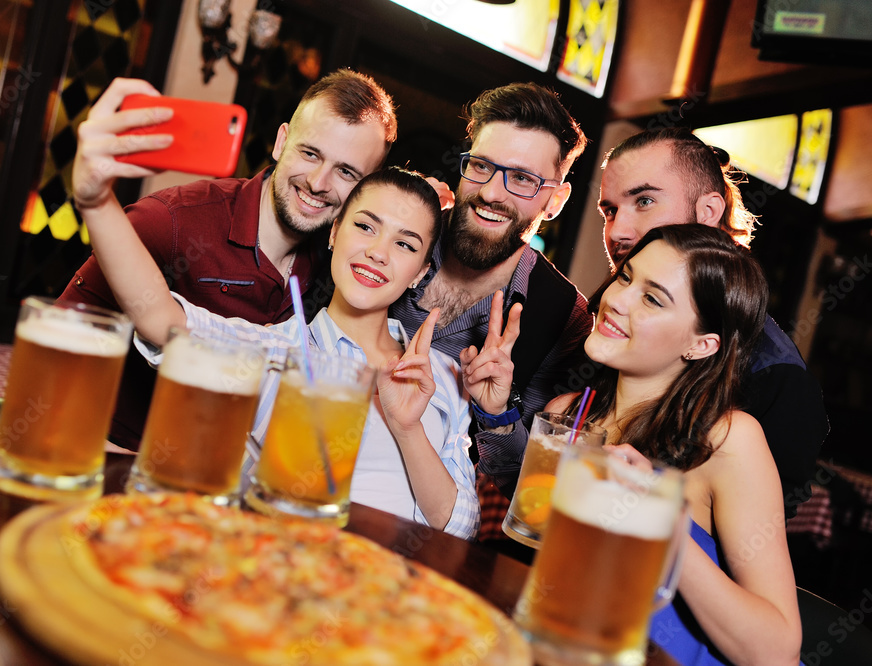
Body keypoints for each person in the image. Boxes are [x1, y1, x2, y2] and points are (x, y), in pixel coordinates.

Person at [82, 165, 490, 539]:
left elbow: (458, 526)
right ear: (333, 233)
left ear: (420, 272)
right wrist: (97, 201)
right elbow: (161, 322)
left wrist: (408, 428)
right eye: (366, 227)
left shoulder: (442, 373)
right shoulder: (279, 352)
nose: (378, 252)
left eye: (405, 244)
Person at [61, 70, 400, 448]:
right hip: (105, 448)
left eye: (346, 172)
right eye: (310, 153)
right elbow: (63, 333)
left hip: (217, 472)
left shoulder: (342, 260)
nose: (319, 183)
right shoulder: (172, 220)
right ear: (281, 141)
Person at [550, 224, 801, 665]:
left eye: (652, 298)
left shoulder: (728, 439)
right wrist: (497, 418)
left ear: (701, 345)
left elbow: (776, 652)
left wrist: (663, 517)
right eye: (626, 277)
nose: (616, 300)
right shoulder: (568, 413)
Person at [390, 82, 591, 547]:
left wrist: (495, 413)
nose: (491, 193)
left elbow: (528, 487)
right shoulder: (396, 233)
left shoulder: (563, 317)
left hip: (432, 537)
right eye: (481, 167)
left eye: (522, 179)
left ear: (554, 201)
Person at [598, 127, 828, 518]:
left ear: (708, 212)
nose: (617, 230)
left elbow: (751, 546)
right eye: (610, 211)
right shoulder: (602, 319)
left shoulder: (775, 376)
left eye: (645, 200)